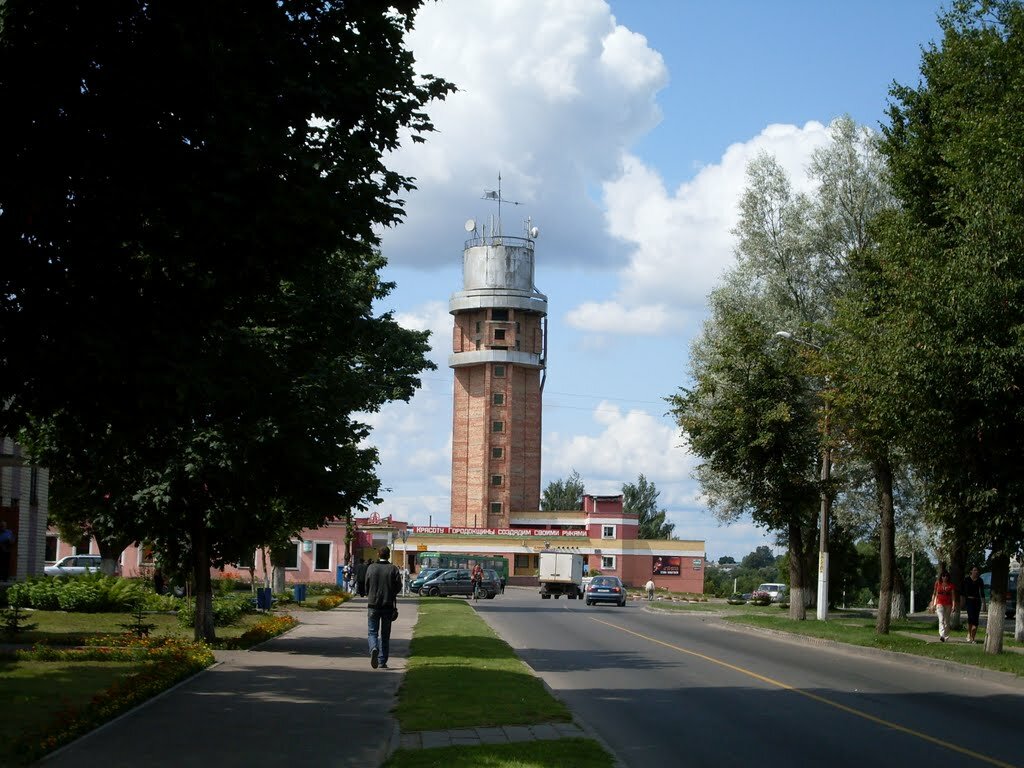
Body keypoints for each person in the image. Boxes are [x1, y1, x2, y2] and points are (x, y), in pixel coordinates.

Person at [365, 546, 402, 669]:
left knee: (372, 632)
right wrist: (391, 592)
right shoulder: (393, 569)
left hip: (373, 604)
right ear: (388, 556)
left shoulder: (371, 568)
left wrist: (369, 593)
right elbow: (398, 587)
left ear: (378, 554)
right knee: (385, 635)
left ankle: (374, 648)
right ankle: (382, 661)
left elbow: (366, 584)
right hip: (387, 605)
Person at [961, 566, 986, 644]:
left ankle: (973, 638)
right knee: (970, 618)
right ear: (971, 571)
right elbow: (962, 592)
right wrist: (962, 601)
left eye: (977, 570)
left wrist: (984, 603)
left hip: (977, 601)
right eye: (974, 570)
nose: (976, 571)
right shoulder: (966, 580)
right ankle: (969, 633)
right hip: (969, 601)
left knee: (976, 619)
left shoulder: (980, 580)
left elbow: (982, 592)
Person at [931, 570, 957, 642]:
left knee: (947, 621)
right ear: (941, 577)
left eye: (946, 576)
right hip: (939, 603)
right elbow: (934, 594)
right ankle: (942, 635)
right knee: (941, 619)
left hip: (948, 604)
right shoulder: (937, 584)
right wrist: (933, 604)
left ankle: (946, 635)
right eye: (943, 576)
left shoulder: (951, 585)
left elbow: (953, 596)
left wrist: (953, 605)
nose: (945, 577)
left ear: (948, 577)